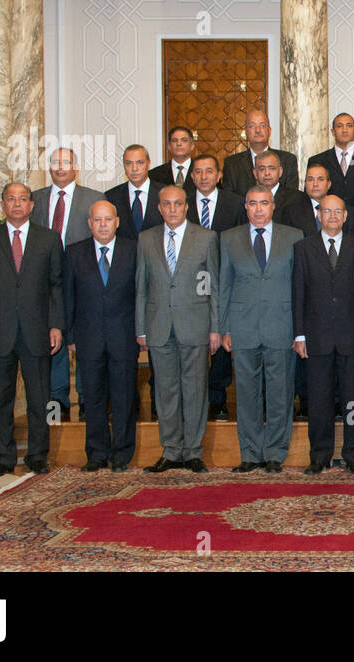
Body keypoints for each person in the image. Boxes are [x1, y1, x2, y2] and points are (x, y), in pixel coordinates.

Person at [0, 183, 64, 478]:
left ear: (32, 205)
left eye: (22, 199)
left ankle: (37, 456)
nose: (16, 204)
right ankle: (3, 457)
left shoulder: (49, 239)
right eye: (10, 199)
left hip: (37, 331)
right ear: (2, 204)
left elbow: (56, 286)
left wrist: (56, 324)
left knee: (39, 398)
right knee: (0, 398)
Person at [136, 185, 220, 474]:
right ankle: (171, 450)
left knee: (195, 389)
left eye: (178, 204)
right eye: (167, 204)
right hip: (159, 327)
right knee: (166, 391)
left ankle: (194, 451)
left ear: (187, 207)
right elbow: (141, 289)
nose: (172, 209)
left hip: (195, 326)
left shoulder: (206, 238)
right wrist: (141, 328)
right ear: (159, 208)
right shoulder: (146, 239)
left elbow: (211, 286)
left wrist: (214, 327)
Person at [220, 185, 303, 474]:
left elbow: (300, 288)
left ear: (273, 206)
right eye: (252, 203)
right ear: (245, 207)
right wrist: (224, 328)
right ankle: (250, 453)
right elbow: (223, 285)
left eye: (263, 203)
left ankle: (275, 453)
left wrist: (300, 331)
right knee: (247, 394)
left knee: (280, 394)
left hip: (281, 326)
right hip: (242, 329)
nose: (258, 209)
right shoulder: (229, 239)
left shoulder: (294, 238)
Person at [293, 195, 354, 475]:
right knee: (319, 400)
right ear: (319, 215)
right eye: (327, 211)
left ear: (346, 216)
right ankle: (320, 454)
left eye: (338, 211)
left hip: (352, 337)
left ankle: (353, 454)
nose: (333, 216)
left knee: (353, 400)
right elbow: (298, 293)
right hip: (317, 337)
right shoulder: (303, 248)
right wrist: (299, 335)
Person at [63, 200, 139, 472]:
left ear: (117, 222)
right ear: (89, 224)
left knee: (123, 397)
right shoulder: (74, 253)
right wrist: (70, 335)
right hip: (88, 337)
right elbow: (68, 297)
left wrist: (141, 331)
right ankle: (96, 454)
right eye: (98, 220)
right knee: (92, 398)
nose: (103, 224)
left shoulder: (133, 249)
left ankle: (121, 454)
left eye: (108, 219)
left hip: (124, 337)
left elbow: (141, 294)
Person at [31, 147, 105, 416]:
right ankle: (58, 398)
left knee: (84, 338)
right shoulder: (35, 200)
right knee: (54, 335)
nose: (60, 167)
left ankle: (87, 398)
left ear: (76, 167)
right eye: (54, 162)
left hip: (84, 279)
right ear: (48, 168)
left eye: (66, 162)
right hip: (46, 281)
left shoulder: (94, 198)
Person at [187, 153, 247, 422]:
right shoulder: (182, 203)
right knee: (195, 340)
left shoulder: (235, 203)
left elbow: (241, 241)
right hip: (190, 284)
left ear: (219, 175)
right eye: (198, 172)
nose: (203, 176)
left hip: (224, 280)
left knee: (221, 339)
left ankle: (218, 397)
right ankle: (194, 398)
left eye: (209, 171)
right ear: (191, 176)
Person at [221, 109, 298, 196]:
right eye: (252, 126)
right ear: (246, 132)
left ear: (269, 131)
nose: (257, 130)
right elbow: (228, 199)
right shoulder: (232, 164)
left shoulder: (287, 160)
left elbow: (292, 197)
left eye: (262, 126)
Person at [283, 163, 354, 237]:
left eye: (320, 179)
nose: (315, 184)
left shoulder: (347, 211)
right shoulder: (292, 212)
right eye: (310, 179)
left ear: (328, 184)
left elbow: (353, 244)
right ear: (305, 184)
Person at [105, 144, 163, 239]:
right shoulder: (111, 197)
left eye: (140, 162)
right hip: (124, 253)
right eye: (129, 163)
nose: (134, 169)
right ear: (124, 165)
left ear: (148, 164)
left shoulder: (164, 194)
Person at [149, 125, 196, 193]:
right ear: (169, 146)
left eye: (184, 140)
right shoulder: (154, 174)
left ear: (192, 146)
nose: (179, 144)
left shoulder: (202, 172)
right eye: (174, 140)